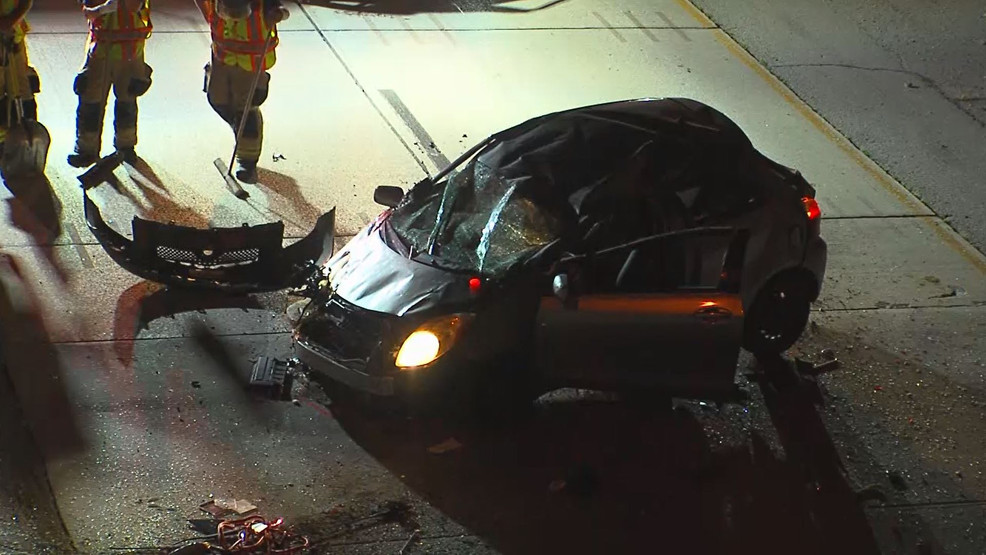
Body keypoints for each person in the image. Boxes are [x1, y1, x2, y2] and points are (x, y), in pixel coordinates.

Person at [203, 0, 288, 183]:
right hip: (222, 58)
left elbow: (282, 11)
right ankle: (237, 125)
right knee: (217, 99)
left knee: (246, 110)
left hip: (250, 64)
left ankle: (247, 162)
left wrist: (277, 15)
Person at [68, 0, 153, 168]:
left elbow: (133, 5)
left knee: (127, 101)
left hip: (129, 53)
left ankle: (125, 146)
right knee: (90, 101)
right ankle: (87, 149)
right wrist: (103, 8)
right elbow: (90, 8)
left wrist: (106, 8)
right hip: (100, 50)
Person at [0, 0, 40, 159]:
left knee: (22, 91)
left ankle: (27, 138)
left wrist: (11, 20)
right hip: (10, 36)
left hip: (13, 39)